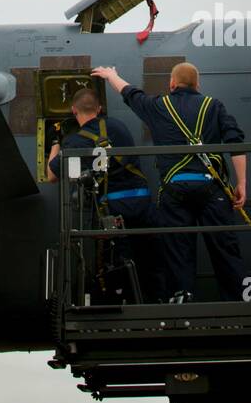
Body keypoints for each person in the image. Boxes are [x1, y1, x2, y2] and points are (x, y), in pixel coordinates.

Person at [91, 62, 248, 302]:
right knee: (224, 249)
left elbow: (130, 93)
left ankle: (182, 297)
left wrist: (111, 75)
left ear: (172, 84)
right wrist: (242, 183)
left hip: (175, 189)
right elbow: (236, 143)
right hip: (212, 188)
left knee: (178, 249)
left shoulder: (158, 106)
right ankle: (237, 301)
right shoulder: (213, 106)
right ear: (198, 85)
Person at [47, 86, 166, 302]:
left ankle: (126, 309)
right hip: (142, 203)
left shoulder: (75, 141)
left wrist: (55, 142)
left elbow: (51, 176)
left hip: (112, 209)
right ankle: (158, 304)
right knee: (150, 256)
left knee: (119, 261)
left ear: (74, 110)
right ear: (100, 108)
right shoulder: (118, 127)